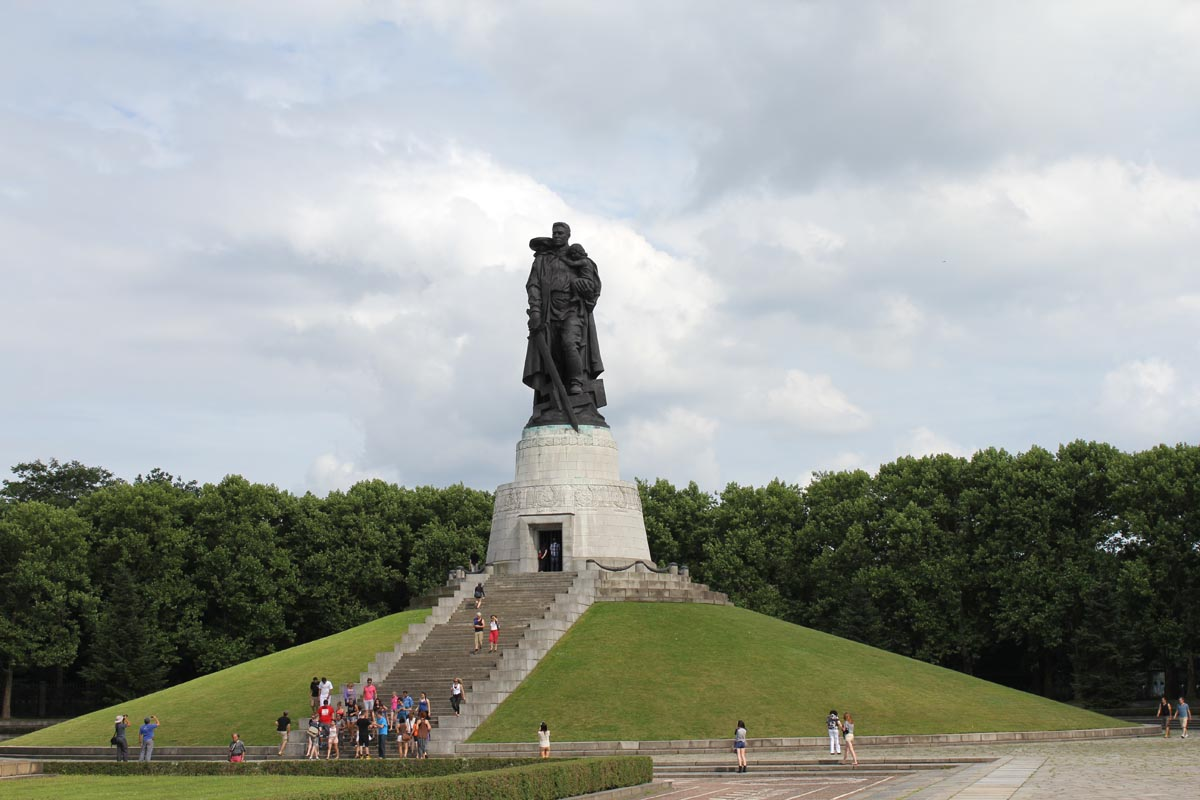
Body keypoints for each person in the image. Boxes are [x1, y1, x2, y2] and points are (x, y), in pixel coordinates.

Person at [523, 222, 604, 417]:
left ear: (568, 235)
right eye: (554, 233)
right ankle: (556, 392)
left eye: (560, 233)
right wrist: (535, 310)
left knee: (570, 343)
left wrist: (585, 288)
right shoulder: (543, 260)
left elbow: (594, 287)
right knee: (553, 352)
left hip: (572, 309)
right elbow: (533, 285)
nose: (557, 235)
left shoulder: (578, 258)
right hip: (548, 311)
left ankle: (576, 383)